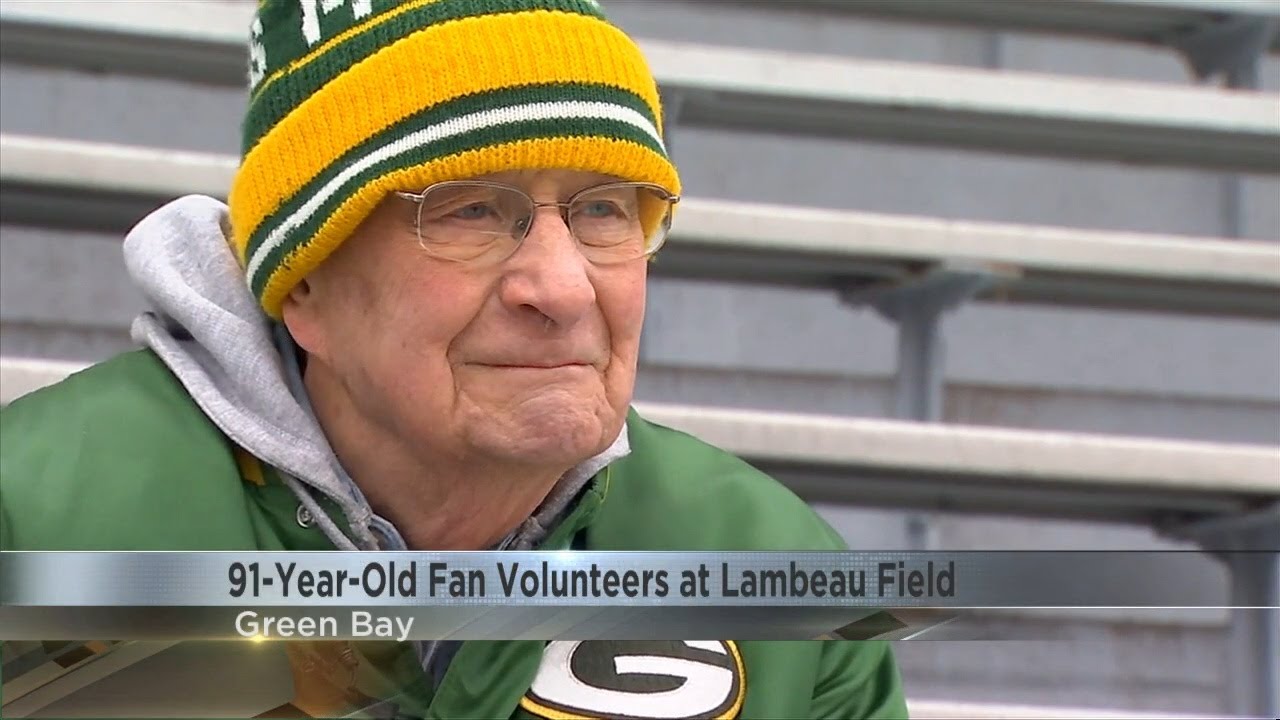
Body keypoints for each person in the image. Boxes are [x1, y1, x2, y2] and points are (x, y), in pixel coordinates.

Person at [0, 1, 906, 717]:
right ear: (305, 281)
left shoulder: (770, 575)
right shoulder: (36, 519)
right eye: (469, 210)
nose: (562, 287)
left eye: (604, 210)